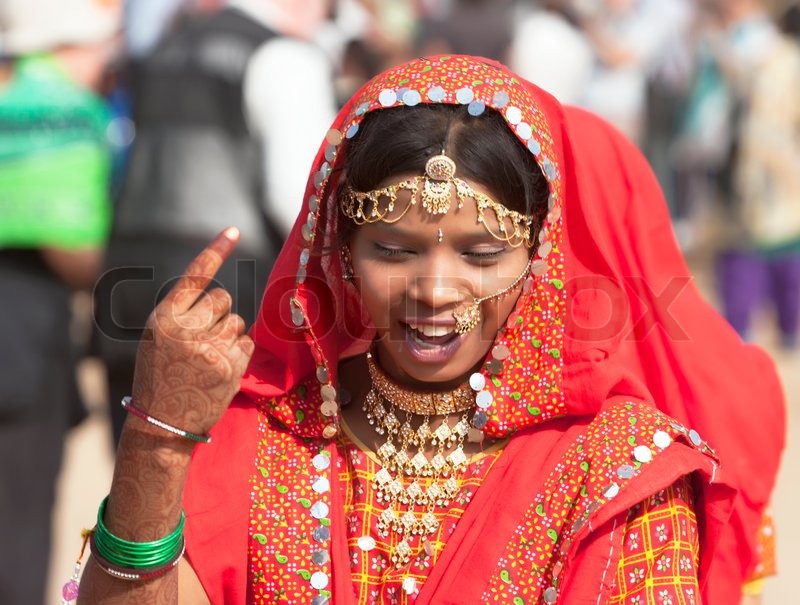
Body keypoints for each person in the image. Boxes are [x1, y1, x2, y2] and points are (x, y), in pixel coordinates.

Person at [74, 55, 784, 604]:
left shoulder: (615, 472)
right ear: (341, 252)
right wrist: (156, 442)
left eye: (480, 255)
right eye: (393, 249)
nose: (435, 290)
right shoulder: (261, 442)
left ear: (538, 258)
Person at [93, 0, 337, 445]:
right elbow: (302, 201)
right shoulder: (283, 55)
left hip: (126, 285)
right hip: (224, 298)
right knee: (214, 482)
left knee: (137, 465)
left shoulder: (165, 46)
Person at [0, 1, 120, 603]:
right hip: (21, 333)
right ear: (66, 48)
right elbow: (71, 244)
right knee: (18, 516)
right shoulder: (63, 111)